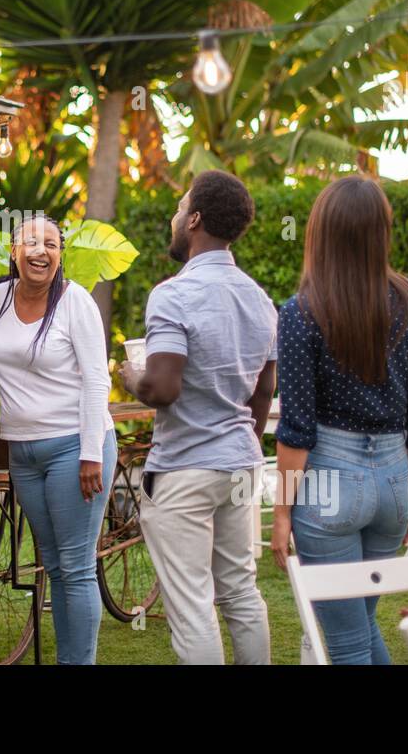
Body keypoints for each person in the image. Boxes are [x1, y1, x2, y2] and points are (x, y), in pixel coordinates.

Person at [272, 176, 408, 665]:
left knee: (345, 641)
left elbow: (296, 427)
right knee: (361, 630)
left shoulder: (302, 310)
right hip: (391, 476)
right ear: (381, 232)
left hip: (328, 479)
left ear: (321, 233)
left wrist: (281, 513)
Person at [119, 170, 276, 665]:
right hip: (240, 463)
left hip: (185, 468)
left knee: (190, 604)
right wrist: (235, 442)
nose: (173, 215)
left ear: (195, 220)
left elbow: (163, 387)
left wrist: (129, 378)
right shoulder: (260, 298)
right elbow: (264, 390)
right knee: (240, 593)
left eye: (179, 206)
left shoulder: (172, 295)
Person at [0, 215, 115, 665]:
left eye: (51, 244)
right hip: (23, 453)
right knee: (53, 566)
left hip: (74, 450)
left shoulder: (75, 303)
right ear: (13, 251)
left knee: (76, 566)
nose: (41, 251)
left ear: (60, 255)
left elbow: (96, 381)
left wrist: (91, 453)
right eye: (31, 242)